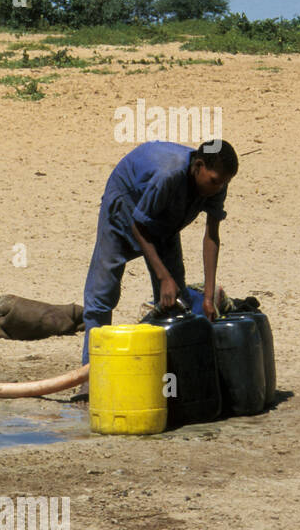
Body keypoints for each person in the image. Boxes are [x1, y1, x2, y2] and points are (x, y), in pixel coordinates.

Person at [80, 139, 239, 373]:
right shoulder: (168, 174)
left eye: (224, 182)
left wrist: (208, 296)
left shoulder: (216, 181)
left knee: (176, 300)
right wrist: (164, 276)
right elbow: (139, 225)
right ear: (198, 166)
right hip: (126, 202)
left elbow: (211, 236)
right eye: (215, 181)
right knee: (103, 292)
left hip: (166, 217)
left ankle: (167, 372)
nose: (219, 188)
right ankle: (90, 373)